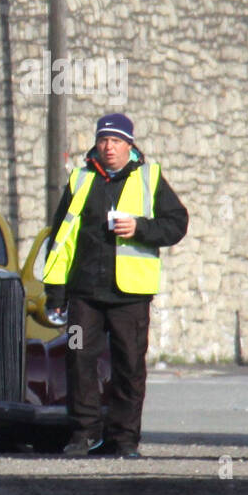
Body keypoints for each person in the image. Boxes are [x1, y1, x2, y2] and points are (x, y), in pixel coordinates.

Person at [43, 113, 188, 457]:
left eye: (117, 141)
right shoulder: (80, 180)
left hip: (130, 297)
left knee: (129, 366)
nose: (109, 147)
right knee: (79, 360)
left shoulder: (150, 178)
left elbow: (177, 223)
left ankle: (124, 440)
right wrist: (56, 293)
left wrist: (140, 228)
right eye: (104, 140)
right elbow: (61, 239)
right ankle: (84, 435)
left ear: (129, 145)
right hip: (84, 296)